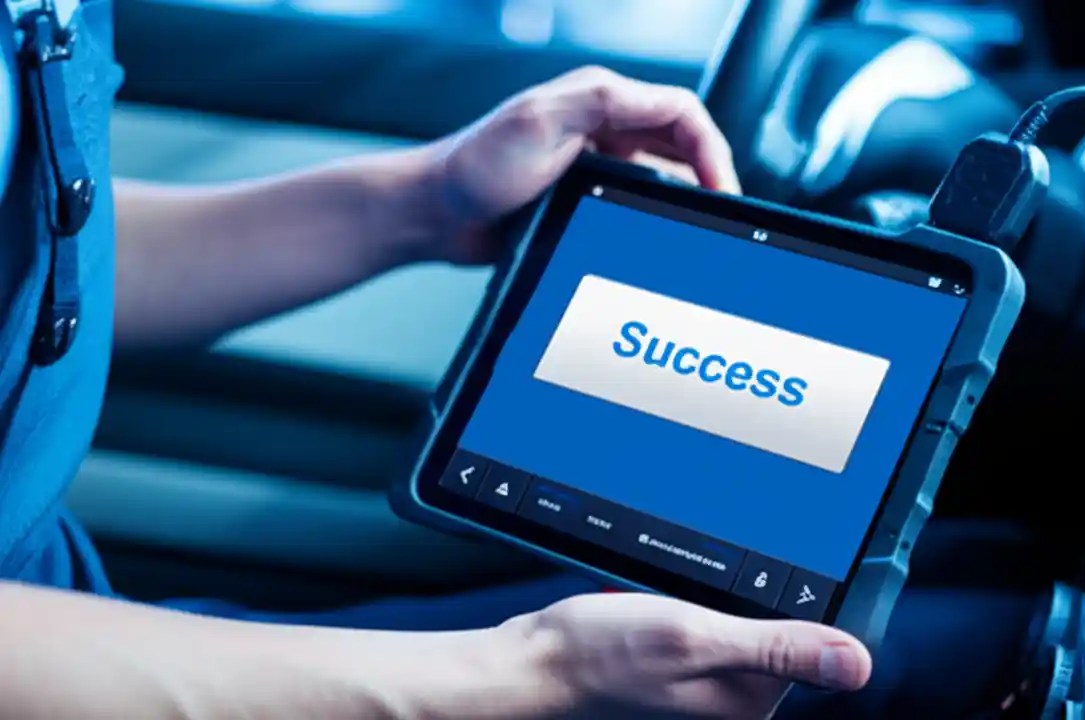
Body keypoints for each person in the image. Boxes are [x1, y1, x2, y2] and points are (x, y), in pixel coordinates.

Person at [0, 2, 874, 717]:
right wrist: (532, 673)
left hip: (82, 611)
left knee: (957, 597)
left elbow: (30, 264)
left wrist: (429, 202)